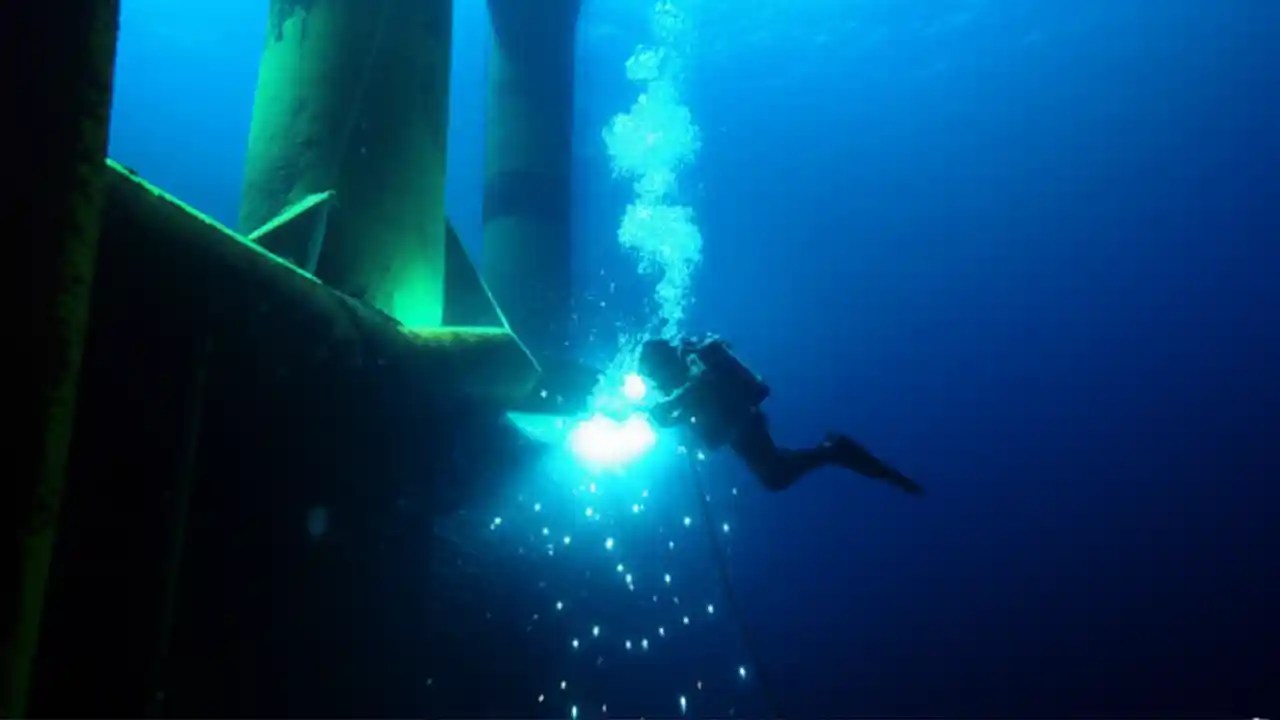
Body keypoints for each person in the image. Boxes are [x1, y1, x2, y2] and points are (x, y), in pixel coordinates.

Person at [637, 335, 923, 494]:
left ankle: (833, 450)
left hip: (743, 421)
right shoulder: (680, 371)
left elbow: (700, 387)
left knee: (775, 476)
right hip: (738, 423)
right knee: (775, 473)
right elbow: (691, 407)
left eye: (655, 375)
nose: (659, 384)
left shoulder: (691, 358)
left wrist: (667, 408)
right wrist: (665, 418)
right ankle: (833, 452)